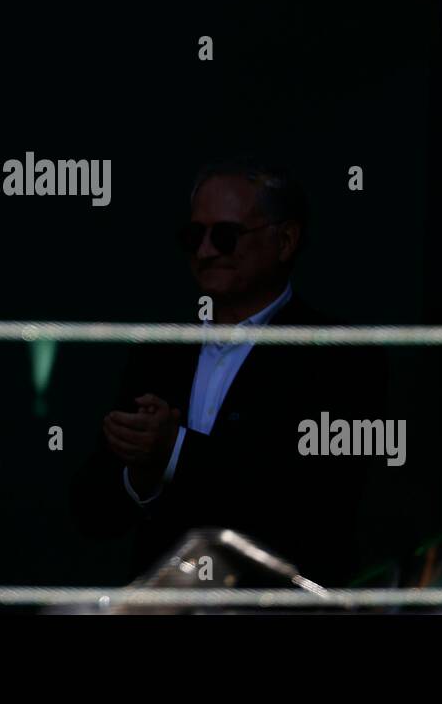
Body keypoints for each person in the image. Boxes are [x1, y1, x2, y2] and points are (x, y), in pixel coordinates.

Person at [70, 160, 382, 586]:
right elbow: (93, 513)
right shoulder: (159, 352)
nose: (205, 250)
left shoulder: (337, 357)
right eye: (193, 235)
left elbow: (311, 506)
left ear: (285, 240)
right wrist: (139, 475)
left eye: (225, 235)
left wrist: (173, 452)